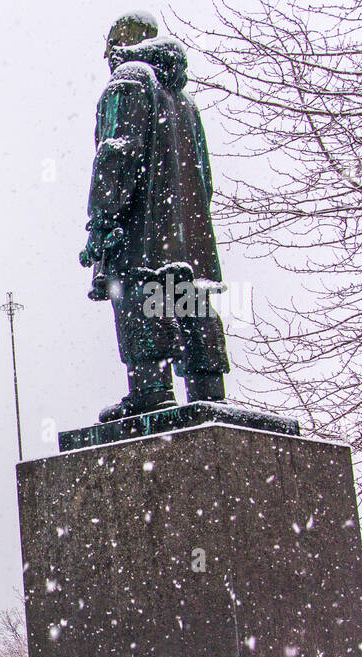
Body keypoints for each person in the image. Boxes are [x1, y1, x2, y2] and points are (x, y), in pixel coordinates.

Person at [79, 11, 231, 422]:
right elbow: (205, 177)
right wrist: (187, 225)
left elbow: (117, 154)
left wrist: (103, 219)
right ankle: (207, 387)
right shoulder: (183, 100)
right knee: (190, 302)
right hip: (188, 237)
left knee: (139, 296)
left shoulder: (128, 81)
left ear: (118, 47)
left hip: (141, 233)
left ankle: (151, 390)